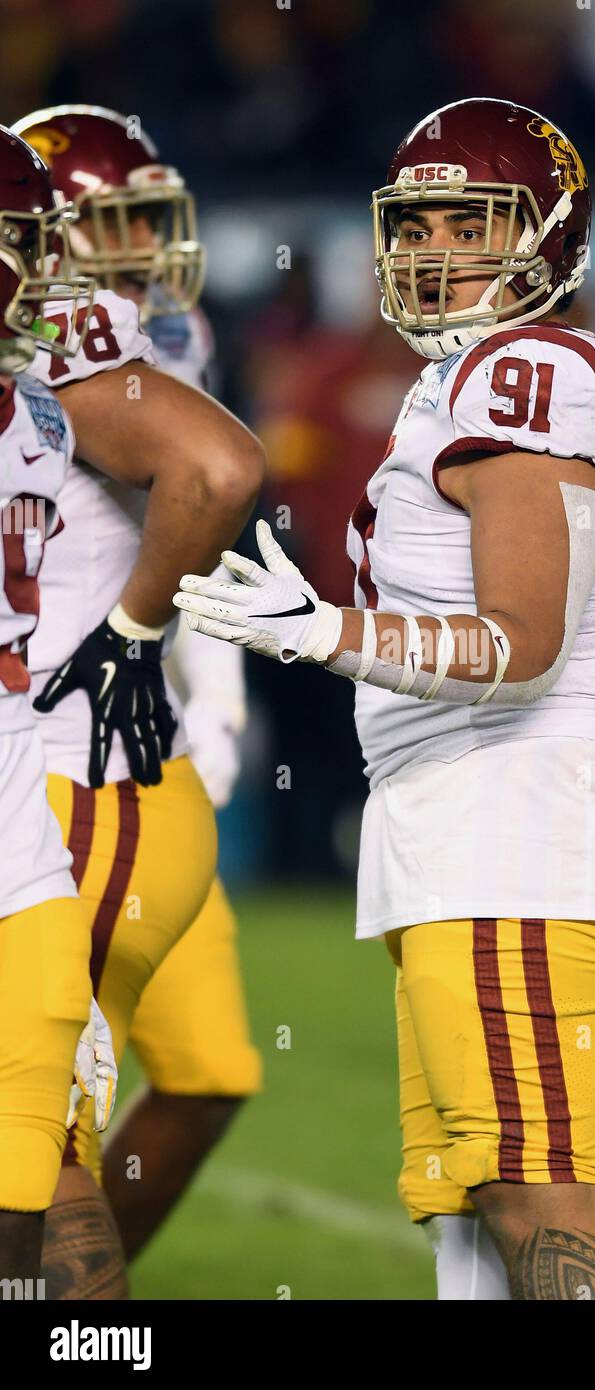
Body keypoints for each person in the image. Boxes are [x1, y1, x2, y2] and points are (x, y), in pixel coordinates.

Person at [175, 98, 595, 1301]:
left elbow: (523, 641)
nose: (437, 250)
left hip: (523, 816)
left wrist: (324, 631)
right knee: (471, 1223)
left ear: (550, 234)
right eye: (419, 223)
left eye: (475, 219)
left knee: (536, 1193)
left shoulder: (529, 370)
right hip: (472, 824)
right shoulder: (481, 377)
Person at [10, 104, 265, 1298]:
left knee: (42, 1149)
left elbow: (215, 480)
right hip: (90, 775)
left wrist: (147, 642)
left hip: (73, 785)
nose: (144, 248)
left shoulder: (71, 340)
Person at [0, 126, 116, 1287]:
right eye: (19, 247)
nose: (42, 275)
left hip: (15, 822)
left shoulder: (39, 420)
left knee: (25, 1162)